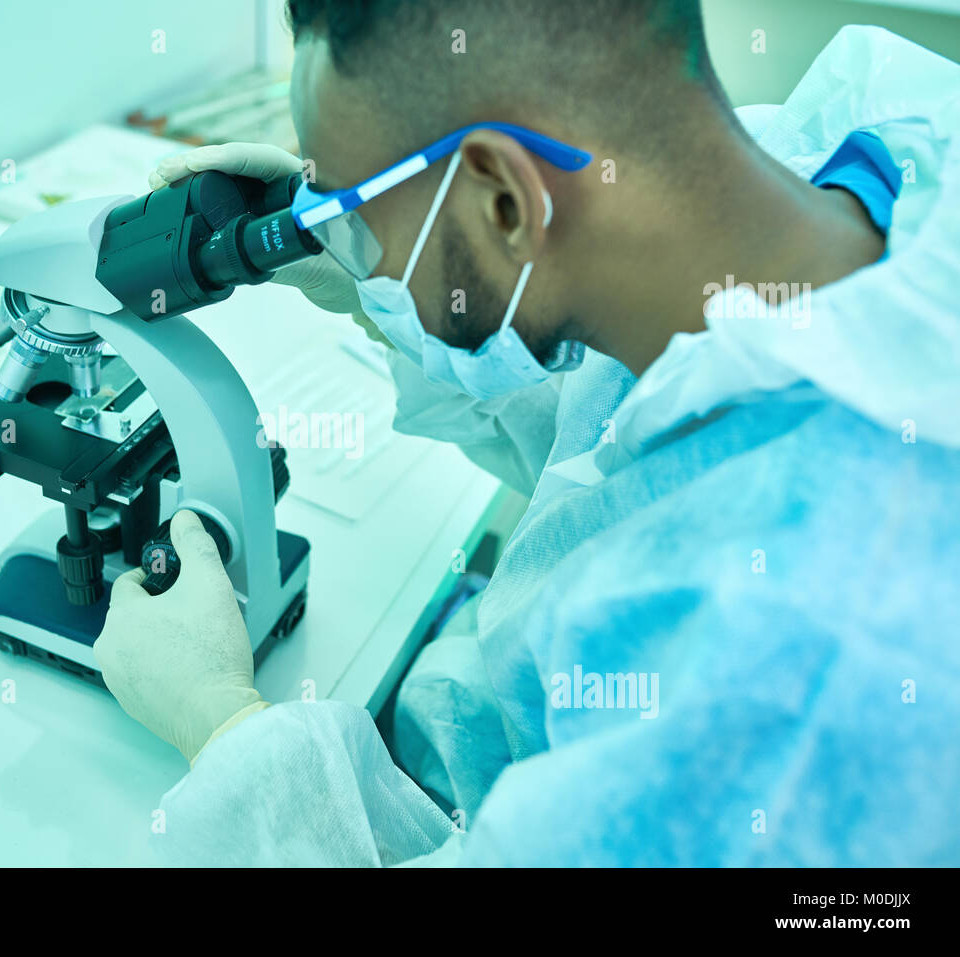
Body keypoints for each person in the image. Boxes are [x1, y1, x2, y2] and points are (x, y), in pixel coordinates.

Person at [93, 0, 960, 865]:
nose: (351, 245)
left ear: (506, 202)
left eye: (360, 224)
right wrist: (368, 276)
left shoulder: (785, 665)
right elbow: (607, 431)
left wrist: (224, 725)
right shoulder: (851, 173)